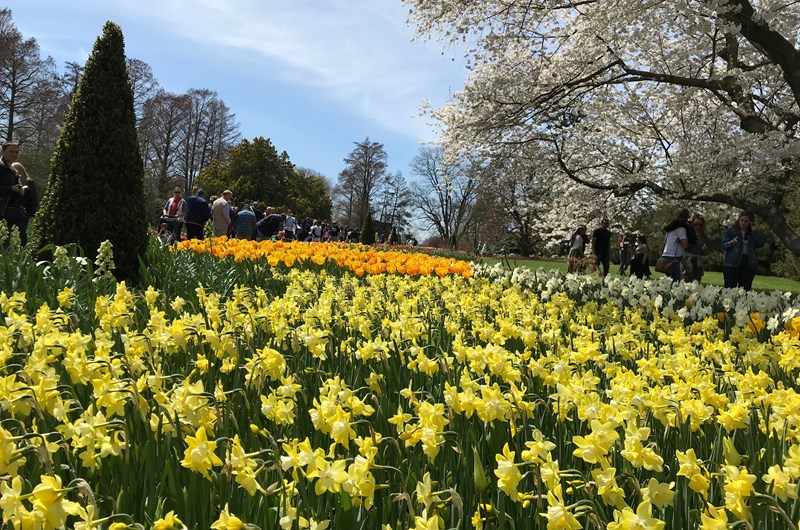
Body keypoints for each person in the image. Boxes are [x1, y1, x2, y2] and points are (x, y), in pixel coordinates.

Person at [722, 211, 765, 291]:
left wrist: (754, 231)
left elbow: (760, 243)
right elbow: (723, 245)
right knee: (729, 289)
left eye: (746, 221)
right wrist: (732, 242)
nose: (743, 223)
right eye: (742, 220)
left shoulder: (752, 233)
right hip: (732, 263)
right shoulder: (731, 231)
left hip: (748, 262)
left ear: (750, 222)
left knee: (745, 290)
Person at [0, 142, 29, 245]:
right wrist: (10, 189)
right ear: (2, 152)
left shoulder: (13, 169)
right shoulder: (1, 167)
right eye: (11, 151)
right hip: (3, 211)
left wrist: (21, 190)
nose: (14, 154)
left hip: (11, 212)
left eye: (16, 152)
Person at [660, 208, 695, 282]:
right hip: (674, 257)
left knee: (668, 280)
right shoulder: (680, 228)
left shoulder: (670, 228)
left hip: (667, 254)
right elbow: (685, 244)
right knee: (675, 280)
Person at [684, 214, 709, 282]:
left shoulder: (704, 237)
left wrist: (705, 250)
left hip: (698, 263)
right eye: (695, 224)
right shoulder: (686, 234)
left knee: (696, 285)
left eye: (700, 225)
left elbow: (705, 253)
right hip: (687, 261)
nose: (698, 226)